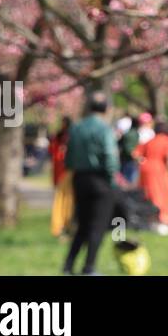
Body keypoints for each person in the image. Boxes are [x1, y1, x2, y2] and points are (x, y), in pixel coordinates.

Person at [62, 91, 119, 275]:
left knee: (82, 224)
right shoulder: (104, 129)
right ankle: (89, 267)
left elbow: (68, 156)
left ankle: (69, 265)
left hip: (79, 179)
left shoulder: (77, 128)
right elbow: (110, 156)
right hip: (100, 180)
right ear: (106, 109)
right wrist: (111, 180)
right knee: (97, 226)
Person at [135, 121, 168, 235]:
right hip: (159, 170)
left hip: (145, 169)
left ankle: (147, 220)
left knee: (147, 195)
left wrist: (142, 162)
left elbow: (136, 153)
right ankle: (161, 221)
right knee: (160, 196)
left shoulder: (150, 141)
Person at [48, 117, 74, 238]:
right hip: (62, 170)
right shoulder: (59, 136)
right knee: (62, 198)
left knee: (67, 199)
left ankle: (67, 224)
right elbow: (52, 150)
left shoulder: (70, 136)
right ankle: (60, 225)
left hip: (66, 170)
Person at [116, 115, 141, 185]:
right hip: (129, 160)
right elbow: (129, 149)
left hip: (124, 159)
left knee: (123, 179)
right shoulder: (134, 134)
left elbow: (119, 144)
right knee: (128, 181)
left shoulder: (128, 133)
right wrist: (137, 157)